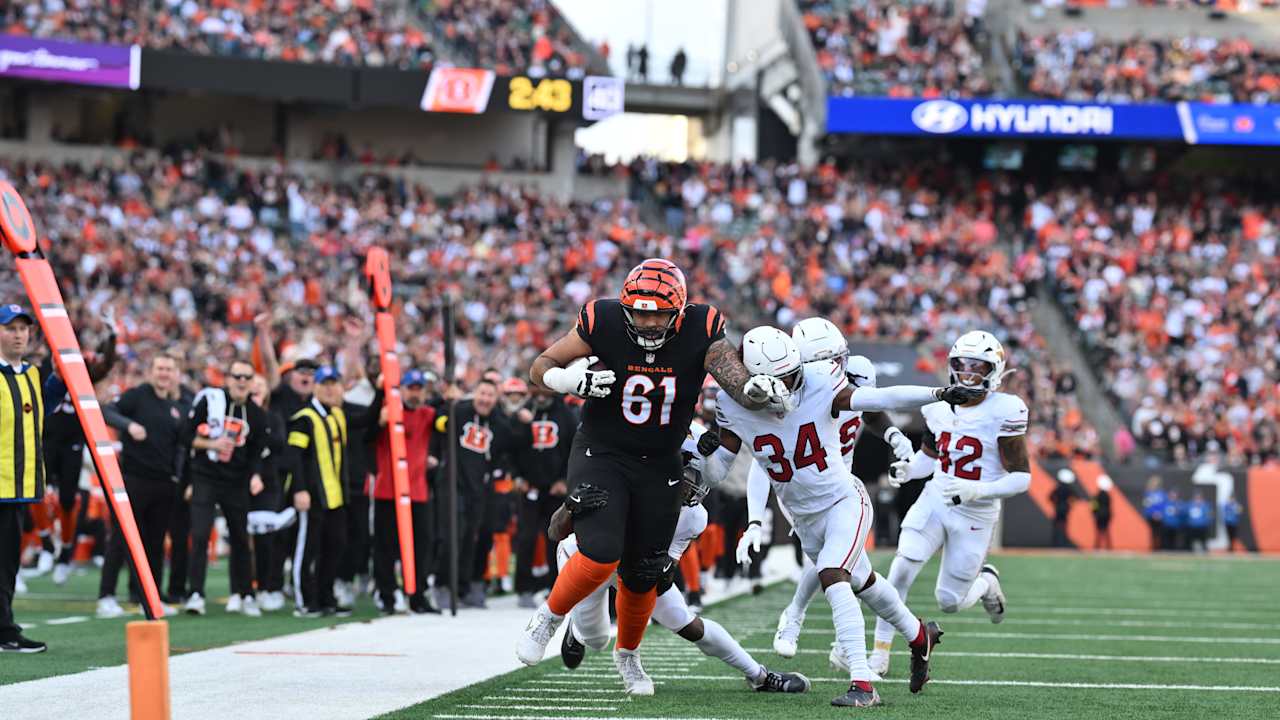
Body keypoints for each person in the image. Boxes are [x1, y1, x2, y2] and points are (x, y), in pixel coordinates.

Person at [515, 258, 783, 697]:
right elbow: (540, 366)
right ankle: (547, 618)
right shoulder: (600, 320)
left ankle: (629, 657)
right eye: (640, 312)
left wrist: (750, 390)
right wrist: (569, 380)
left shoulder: (701, 327)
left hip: (660, 460)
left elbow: (729, 372)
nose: (649, 321)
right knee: (601, 553)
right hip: (602, 450)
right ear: (624, 307)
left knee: (643, 573)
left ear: (678, 311)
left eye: (659, 312)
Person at [706, 326, 971, 707]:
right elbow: (722, 470)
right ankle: (919, 636)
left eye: (796, 372)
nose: (795, 384)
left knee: (833, 575)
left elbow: (880, 398)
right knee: (865, 582)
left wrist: (938, 394)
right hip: (802, 515)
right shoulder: (733, 408)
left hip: (843, 500)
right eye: (785, 379)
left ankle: (863, 685)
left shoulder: (819, 380)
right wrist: (694, 453)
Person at [556, 423, 809, 694]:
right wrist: (571, 506)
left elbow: (667, 567)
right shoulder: (623, 485)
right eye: (686, 474)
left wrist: (663, 569)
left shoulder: (693, 516)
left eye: (695, 476)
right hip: (587, 564)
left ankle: (760, 676)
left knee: (690, 625)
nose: (691, 485)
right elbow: (555, 531)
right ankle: (576, 627)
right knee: (596, 639)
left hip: (634, 569)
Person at [870, 331, 1032, 681]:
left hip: (976, 511)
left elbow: (1022, 478)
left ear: (994, 370)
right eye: (962, 365)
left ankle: (987, 583)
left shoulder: (1006, 410)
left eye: (978, 367)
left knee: (950, 601)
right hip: (935, 498)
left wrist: (977, 491)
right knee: (900, 569)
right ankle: (878, 656)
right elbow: (931, 456)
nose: (968, 373)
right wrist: (911, 468)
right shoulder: (937, 406)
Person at [770, 318, 917, 660]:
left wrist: (896, 436)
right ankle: (803, 621)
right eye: (824, 363)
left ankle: (909, 637)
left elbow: (873, 409)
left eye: (837, 360)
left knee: (845, 573)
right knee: (841, 571)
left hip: (839, 488)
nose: (834, 370)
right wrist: (755, 520)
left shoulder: (854, 382)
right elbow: (768, 458)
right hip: (801, 487)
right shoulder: (795, 397)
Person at [97, 351, 189, 618]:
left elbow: (181, 447)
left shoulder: (178, 407)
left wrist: (177, 475)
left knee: (156, 544)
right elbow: (105, 411)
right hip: (134, 480)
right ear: (152, 371)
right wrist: (129, 425)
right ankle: (106, 596)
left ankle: (149, 597)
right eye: (160, 368)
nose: (164, 374)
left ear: (175, 375)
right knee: (121, 538)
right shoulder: (138, 395)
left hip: (165, 484)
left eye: (169, 370)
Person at [182, 359, 270, 616]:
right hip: (205, 475)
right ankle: (195, 593)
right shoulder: (210, 400)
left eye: (246, 377)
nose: (241, 381)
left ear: (252, 382)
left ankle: (244, 593)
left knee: (241, 538)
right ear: (228, 378)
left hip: (236, 481)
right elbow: (185, 436)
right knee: (199, 535)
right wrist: (212, 445)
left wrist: (255, 475)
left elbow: (255, 454)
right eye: (237, 376)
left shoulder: (257, 414)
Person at [43, 318, 116, 585]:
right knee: (36, 493)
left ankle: (63, 554)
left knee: (67, 500)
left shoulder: (84, 372)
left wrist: (112, 338)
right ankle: (44, 544)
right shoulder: (46, 367)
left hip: (72, 443)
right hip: (46, 440)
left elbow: (106, 364)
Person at [435, 377, 516, 610]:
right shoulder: (459, 410)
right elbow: (438, 419)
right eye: (481, 394)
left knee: (474, 536)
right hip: (452, 483)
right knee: (453, 534)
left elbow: (511, 444)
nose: (485, 399)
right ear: (474, 394)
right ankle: (442, 584)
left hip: (480, 487)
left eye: (490, 395)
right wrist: (446, 401)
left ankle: (464, 586)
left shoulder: (499, 424)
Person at [0, 304, 49, 653]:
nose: (18, 335)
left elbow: (51, 404)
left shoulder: (32, 374)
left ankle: (4, 627)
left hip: (18, 486)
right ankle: (5, 631)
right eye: (10, 328)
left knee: (7, 564)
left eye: (23, 328)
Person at [369, 369, 438, 614]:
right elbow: (366, 434)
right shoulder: (387, 412)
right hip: (388, 490)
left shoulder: (428, 414)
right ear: (402, 389)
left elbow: (446, 422)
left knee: (423, 544)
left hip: (417, 490)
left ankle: (418, 595)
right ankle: (386, 595)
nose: (415, 393)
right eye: (411, 388)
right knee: (385, 546)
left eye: (419, 389)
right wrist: (379, 415)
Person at [287, 365, 352, 617]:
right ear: (315, 386)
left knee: (334, 546)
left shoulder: (336, 416)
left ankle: (326, 597)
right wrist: (300, 489)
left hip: (334, 496)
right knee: (308, 549)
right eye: (324, 383)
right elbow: (294, 457)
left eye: (333, 383)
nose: (329, 388)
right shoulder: (305, 417)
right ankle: (304, 600)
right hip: (312, 495)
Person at [510, 384, 577, 609]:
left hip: (555, 488)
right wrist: (518, 476)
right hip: (529, 486)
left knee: (555, 539)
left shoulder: (566, 415)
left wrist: (564, 480)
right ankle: (524, 588)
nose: (539, 394)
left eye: (543, 389)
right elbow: (513, 448)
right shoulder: (524, 411)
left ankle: (555, 586)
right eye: (535, 389)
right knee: (526, 538)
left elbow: (573, 449)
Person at [248, 374, 291, 612]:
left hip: (268, 483)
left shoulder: (273, 418)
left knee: (266, 539)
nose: (255, 388)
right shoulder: (237, 417)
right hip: (240, 483)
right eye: (251, 385)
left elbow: (278, 444)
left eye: (260, 385)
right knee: (241, 540)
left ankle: (266, 587)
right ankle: (242, 591)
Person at [1050, 468, 1077, 548]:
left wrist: (1056, 503)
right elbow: (1076, 497)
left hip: (1058, 508)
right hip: (1065, 509)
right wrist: (1070, 504)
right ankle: (1064, 543)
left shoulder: (1058, 488)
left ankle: (1055, 543)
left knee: (1056, 526)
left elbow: (1050, 497)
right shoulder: (1069, 488)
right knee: (1064, 526)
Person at [1141, 475, 1167, 551]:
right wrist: (1153, 514)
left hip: (1160, 517)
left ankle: (1159, 548)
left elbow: (1164, 505)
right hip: (1151, 517)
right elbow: (1146, 506)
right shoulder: (1148, 494)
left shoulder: (1162, 493)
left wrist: (1160, 514)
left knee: (1160, 533)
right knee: (1152, 533)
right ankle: (1153, 548)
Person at [1092, 475, 1113, 550]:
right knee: (1106, 531)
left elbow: (1094, 505)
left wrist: (1094, 513)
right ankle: (1108, 547)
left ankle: (1097, 546)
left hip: (1099, 515)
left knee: (1099, 531)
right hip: (1106, 514)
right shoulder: (1107, 495)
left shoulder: (1098, 495)